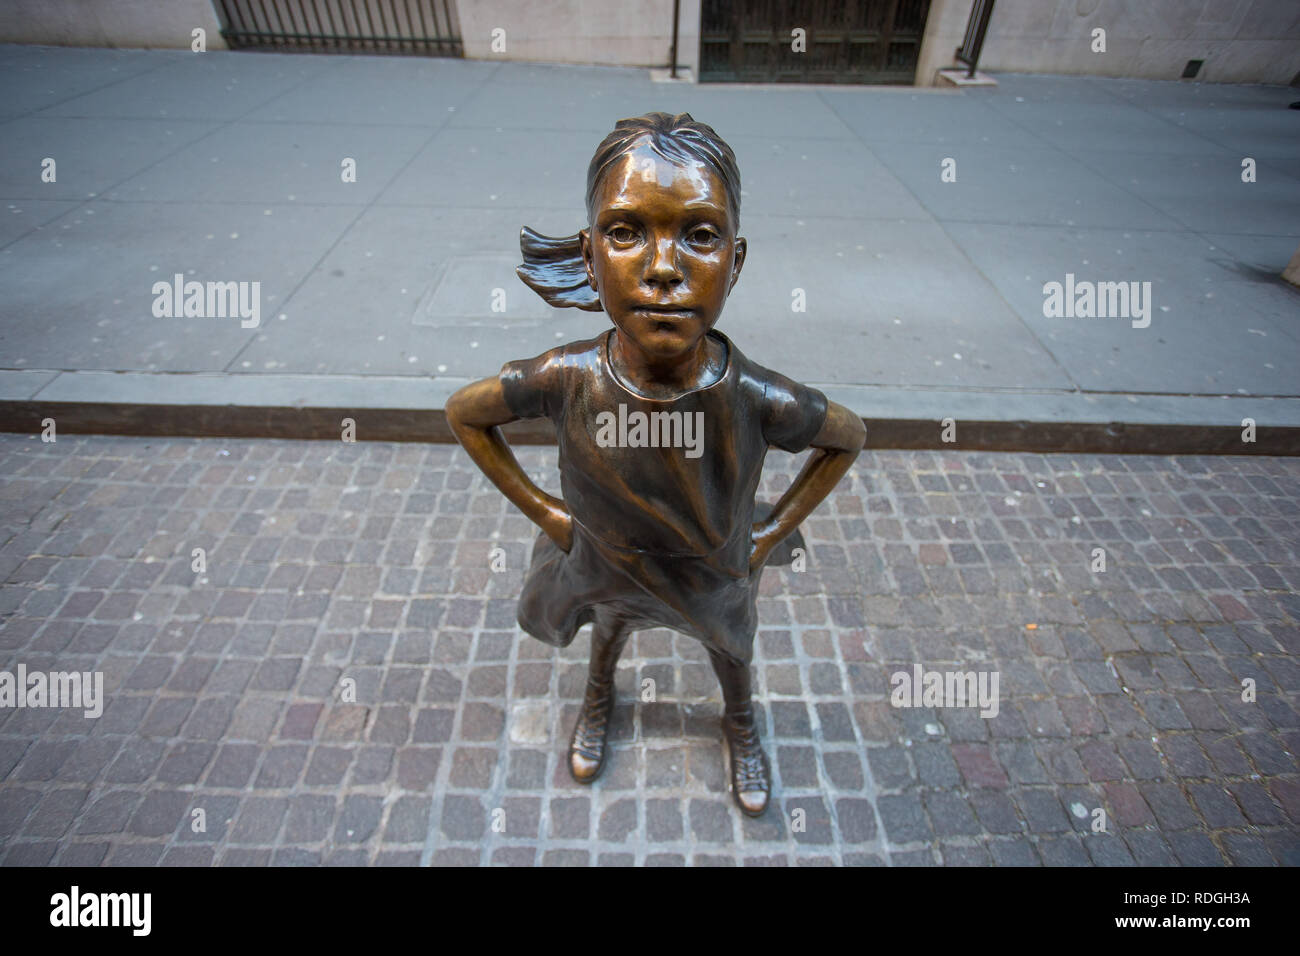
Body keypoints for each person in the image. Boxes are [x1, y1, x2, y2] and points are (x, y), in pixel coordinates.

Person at [446, 112, 865, 816]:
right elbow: (466, 412)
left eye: (699, 235)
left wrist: (765, 536)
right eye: (626, 230)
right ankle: (599, 698)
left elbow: (846, 438)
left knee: (732, 652)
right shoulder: (564, 378)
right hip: (607, 567)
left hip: (715, 573)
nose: (664, 266)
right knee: (609, 630)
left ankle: (740, 725)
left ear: (735, 260)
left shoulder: (757, 396)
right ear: (588, 256)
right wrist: (550, 514)